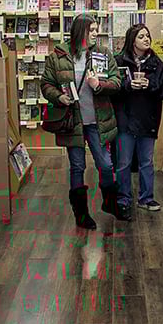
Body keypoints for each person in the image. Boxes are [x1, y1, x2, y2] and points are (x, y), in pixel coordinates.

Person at [40, 14, 121, 230]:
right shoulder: (59, 55)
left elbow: (116, 81)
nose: (96, 33)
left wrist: (98, 85)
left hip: (98, 120)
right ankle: (81, 214)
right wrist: (59, 97)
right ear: (80, 31)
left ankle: (109, 201)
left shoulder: (103, 53)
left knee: (105, 163)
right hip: (72, 121)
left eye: (97, 29)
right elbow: (47, 84)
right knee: (77, 166)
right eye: (92, 30)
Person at [114, 23, 163, 219]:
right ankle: (123, 199)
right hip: (125, 120)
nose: (146, 39)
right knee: (123, 163)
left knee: (146, 162)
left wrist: (151, 85)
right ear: (132, 40)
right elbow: (111, 87)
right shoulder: (119, 61)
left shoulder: (156, 63)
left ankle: (146, 198)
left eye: (147, 36)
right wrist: (128, 85)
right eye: (141, 36)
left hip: (148, 120)